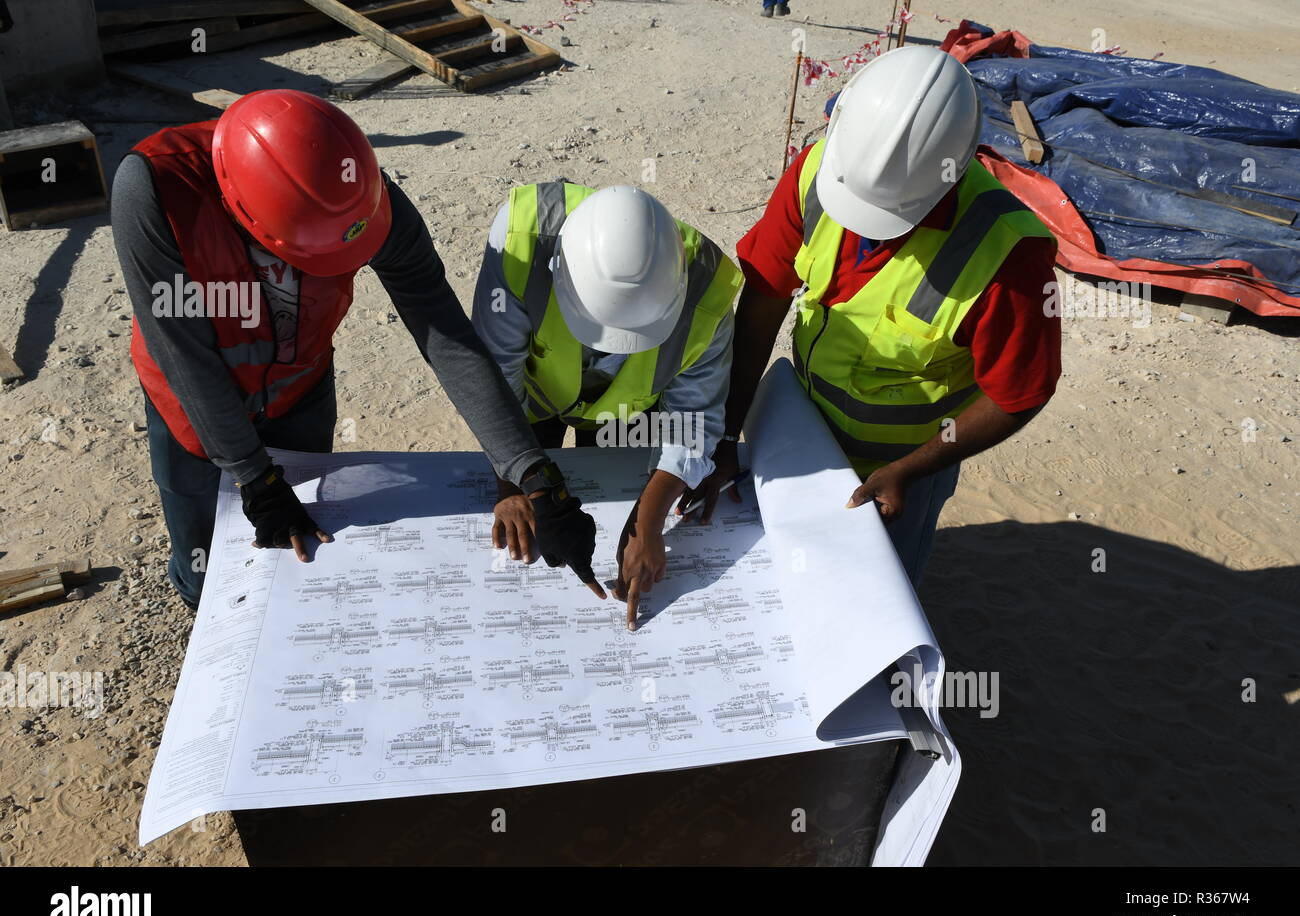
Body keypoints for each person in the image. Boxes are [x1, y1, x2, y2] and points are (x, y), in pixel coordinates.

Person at [113, 89, 600, 610]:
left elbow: (445, 332)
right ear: (246, 213)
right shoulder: (156, 188)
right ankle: (202, 621)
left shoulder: (361, 199)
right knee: (204, 544)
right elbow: (184, 355)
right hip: (189, 406)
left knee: (303, 545)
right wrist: (254, 478)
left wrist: (532, 469)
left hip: (299, 387)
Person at [680, 46, 1061, 587]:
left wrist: (914, 467)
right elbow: (765, 298)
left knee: (875, 590)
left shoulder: (1007, 253)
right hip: (799, 430)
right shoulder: (816, 171)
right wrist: (726, 431)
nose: (863, 228)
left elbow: (1017, 393)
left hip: (903, 465)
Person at [471, 184, 743, 629]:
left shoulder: (706, 298)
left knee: (604, 463)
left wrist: (648, 522)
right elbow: (493, 378)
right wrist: (513, 482)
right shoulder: (519, 242)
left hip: (624, 416)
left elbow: (695, 420)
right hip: (532, 405)